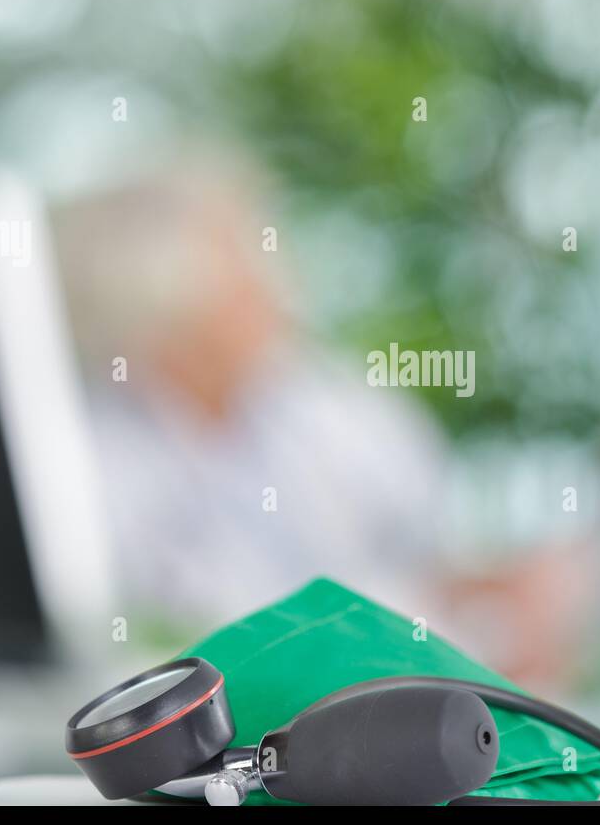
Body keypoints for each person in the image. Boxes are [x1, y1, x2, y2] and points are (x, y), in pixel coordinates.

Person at [52, 150, 448, 629]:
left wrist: (495, 593)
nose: (277, 288)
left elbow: (425, 563)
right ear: (162, 315)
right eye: (244, 270)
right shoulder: (85, 457)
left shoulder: (332, 406)